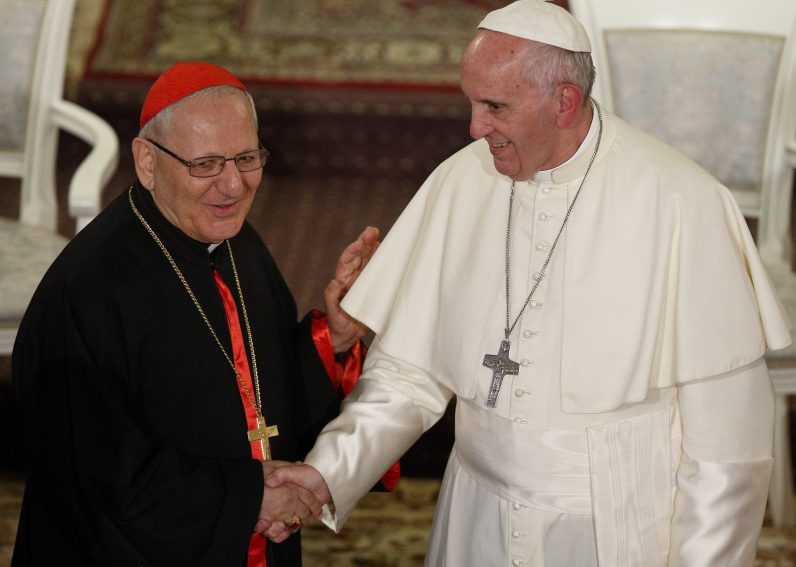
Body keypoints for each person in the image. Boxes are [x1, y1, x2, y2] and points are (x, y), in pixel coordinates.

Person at [264, 1, 792, 565]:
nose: (474, 127)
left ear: (564, 101)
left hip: (617, 529)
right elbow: (410, 373)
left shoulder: (684, 204)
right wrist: (327, 472)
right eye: (471, 103)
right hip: (475, 515)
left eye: (496, 106)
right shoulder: (463, 180)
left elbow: (727, 450)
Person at [11, 62, 395, 566]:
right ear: (147, 162)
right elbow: (96, 473)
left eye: (247, 157)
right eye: (206, 164)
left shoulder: (235, 245)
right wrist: (247, 499)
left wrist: (335, 336)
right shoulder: (85, 294)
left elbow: (263, 399)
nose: (234, 186)